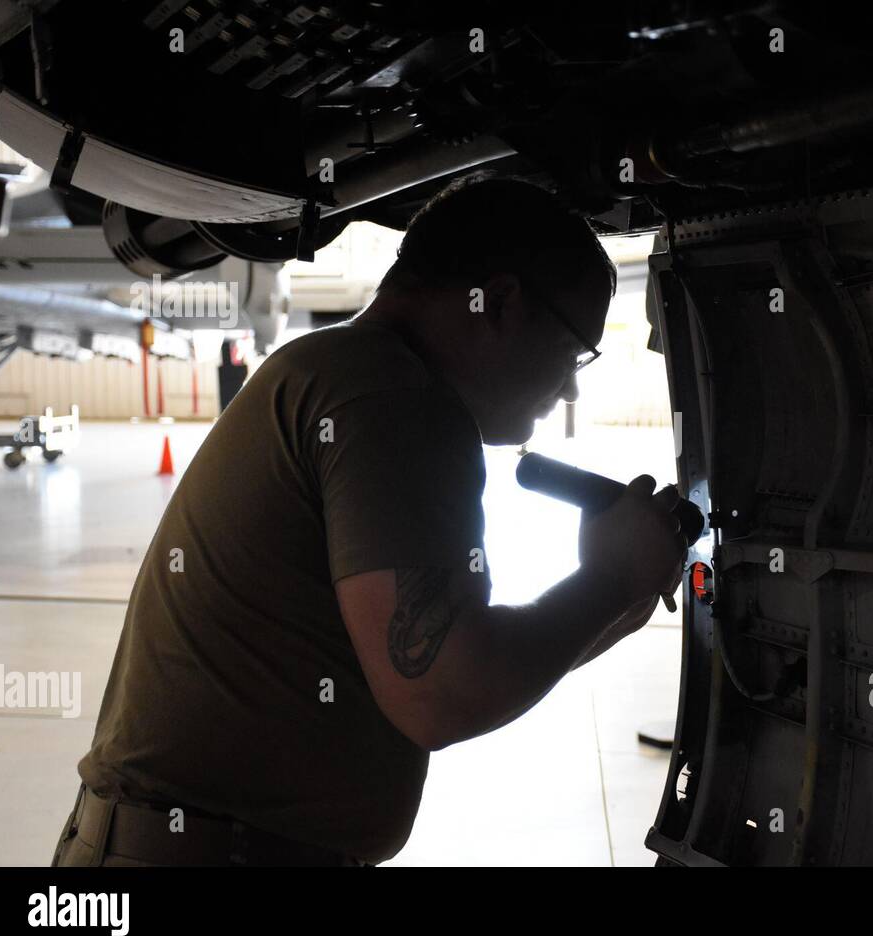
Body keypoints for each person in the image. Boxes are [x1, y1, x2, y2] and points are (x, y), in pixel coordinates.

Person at [51, 175, 688, 866]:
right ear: (499, 302)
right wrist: (609, 579)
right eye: (573, 354)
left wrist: (619, 589)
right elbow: (440, 692)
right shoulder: (394, 398)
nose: (568, 385)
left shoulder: (341, 371)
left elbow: (447, 663)